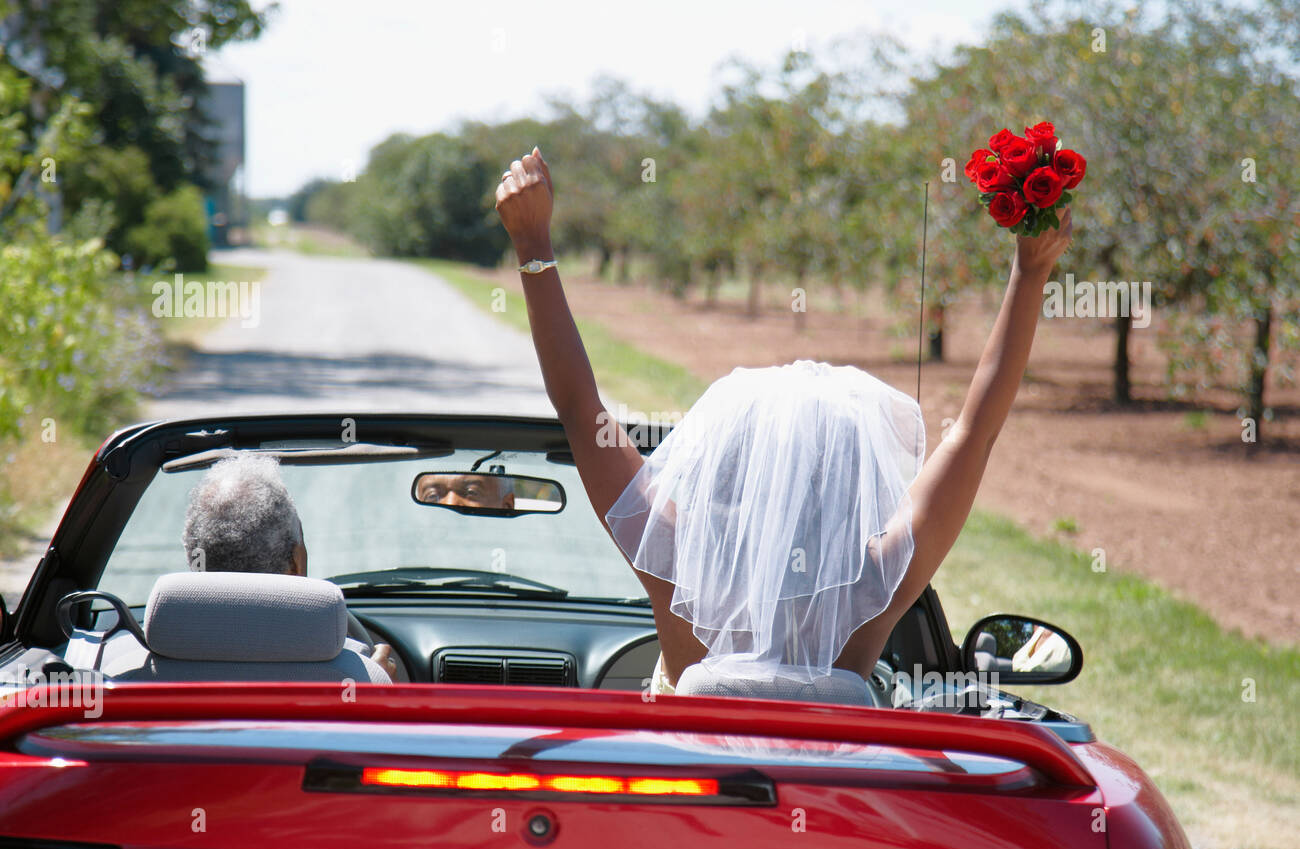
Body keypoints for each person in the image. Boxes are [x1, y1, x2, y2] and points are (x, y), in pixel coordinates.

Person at [495, 147, 1072, 693]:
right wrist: (1030, 271)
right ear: (853, 484)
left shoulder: (672, 556)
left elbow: (577, 405)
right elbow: (976, 430)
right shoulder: (875, 582)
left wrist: (532, 242)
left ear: (720, 467)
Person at [181, 453, 401, 680]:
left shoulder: (146, 672)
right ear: (296, 562)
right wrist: (378, 685)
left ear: (194, 561)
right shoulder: (356, 681)